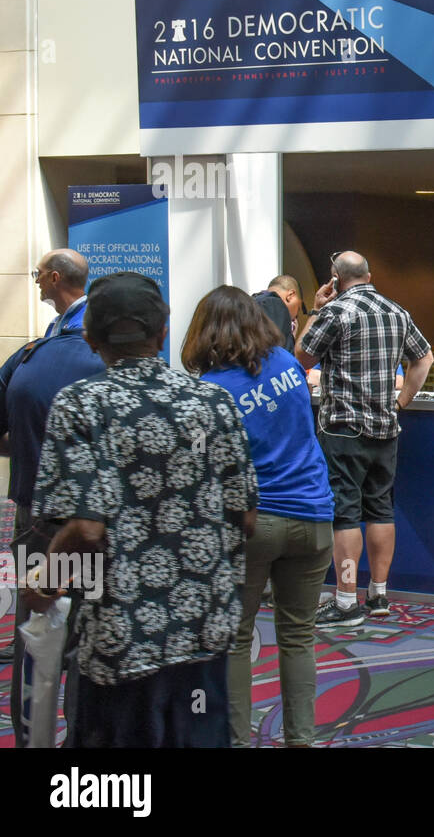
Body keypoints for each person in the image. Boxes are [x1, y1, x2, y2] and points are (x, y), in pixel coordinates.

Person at [27, 272, 259, 747]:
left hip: (122, 642)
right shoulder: (213, 402)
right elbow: (246, 516)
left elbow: (86, 529)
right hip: (204, 633)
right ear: (163, 332)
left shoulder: (81, 405)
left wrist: (44, 585)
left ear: (91, 339)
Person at [182, 286, 334, 747]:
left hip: (252, 523)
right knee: (298, 636)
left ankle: (237, 740)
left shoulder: (211, 391)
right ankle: (300, 739)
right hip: (313, 514)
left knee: (236, 639)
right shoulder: (289, 365)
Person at [297, 251, 433, 626]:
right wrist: (401, 402)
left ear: (335, 278)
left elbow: (302, 358)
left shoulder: (336, 311)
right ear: (370, 275)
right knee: (381, 509)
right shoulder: (397, 312)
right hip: (386, 429)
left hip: (343, 429)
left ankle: (344, 601)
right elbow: (424, 359)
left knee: (346, 514)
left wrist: (314, 310)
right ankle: (379, 594)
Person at [0, 293, 104, 731]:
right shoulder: (106, 372)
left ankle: (29, 734)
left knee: (35, 631)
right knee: (86, 638)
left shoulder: (28, 357)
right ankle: (82, 738)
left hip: (36, 515)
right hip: (91, 523)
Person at [33, 248, 90, 336]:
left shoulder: (82, 326)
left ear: (54, 278)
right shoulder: (56, 322)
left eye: (39, 273)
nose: (37, 280)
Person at [253, 274, 305, 351]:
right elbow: (282, 356)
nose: (295, 318)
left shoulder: (251, 302)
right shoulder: (275, 306)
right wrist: (291, 338)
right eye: (298, 309)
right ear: (290, 295)